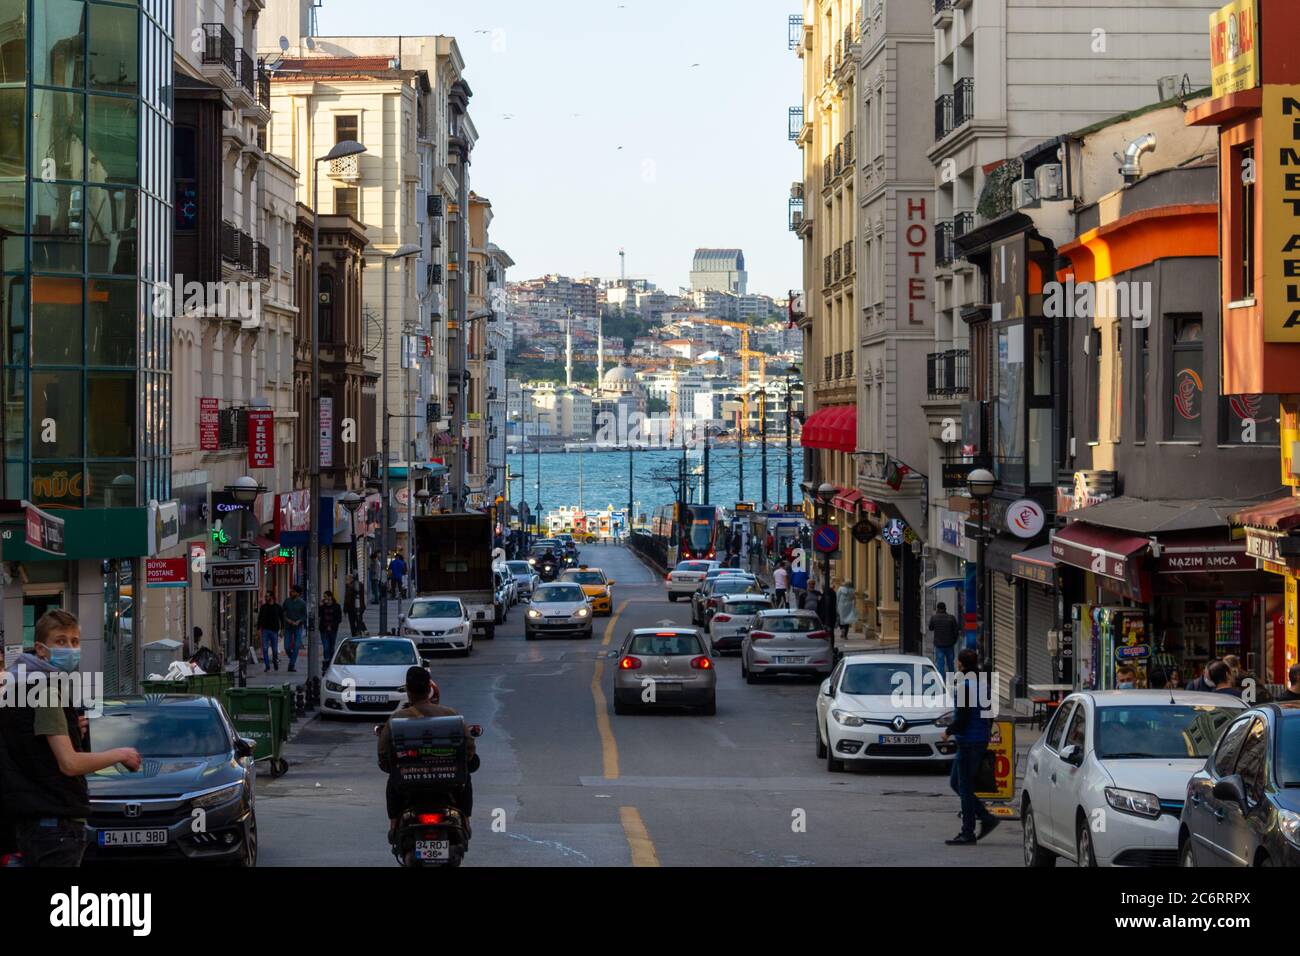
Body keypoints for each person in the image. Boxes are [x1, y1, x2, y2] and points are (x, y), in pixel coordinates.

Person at [0, 610, 142, 866]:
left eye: (75, 641)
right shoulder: (46, 688)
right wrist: (121, 754)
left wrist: (69, 729)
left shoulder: (15, 685)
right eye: (61, 641)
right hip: (54, 822)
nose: (70, 648)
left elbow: (27, 743)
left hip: (27, 819)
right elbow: (69, 763)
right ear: (41, 649)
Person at [377, 666, 477, 842]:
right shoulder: (450, 715)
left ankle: (393, 824)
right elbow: (468, 749)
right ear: (429, 689)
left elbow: (384, 754)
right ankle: (466, 820)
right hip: (448, 783)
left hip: (407, 785)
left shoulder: (396, 718)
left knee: (392, 780)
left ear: (408, 690)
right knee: (466, 778)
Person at [941, 648, 998, 846]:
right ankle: (985, 817)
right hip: (978, 738)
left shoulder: (965, 686)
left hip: (968, 741)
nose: (956, 665)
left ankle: (968, 831)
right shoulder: (983, 685)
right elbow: (990, 714)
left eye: (958, 662)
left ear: (961, 665)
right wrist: (984, 732)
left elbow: (963, 717)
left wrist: (948, 731)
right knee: (956, 782)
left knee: (963, 785)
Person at [928, 602, 960, 678]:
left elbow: (930, 628)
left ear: (937, 609)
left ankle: (941, 682)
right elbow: (956, 631)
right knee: (950, 664)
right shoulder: (951, 618)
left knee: (940, 665)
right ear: (945, 608)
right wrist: (954, 641)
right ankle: (952, 681)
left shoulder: (934, 617)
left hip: (939, 645)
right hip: (949, 645)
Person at [280, 585, 308, 673]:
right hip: (288, 627)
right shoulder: (287, 601)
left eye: (293, 591)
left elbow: (305, 616)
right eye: (291, 591)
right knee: (287, 647)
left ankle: (291, 665)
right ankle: (293, 659)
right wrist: (287, 621)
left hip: (298, 627)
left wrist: (299, 621)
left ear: (298, 593)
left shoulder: (302, 603)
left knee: (296, 646)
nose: (291, 592)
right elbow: (282, 613)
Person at [256, 592, 283, 673]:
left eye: (267, 596)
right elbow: (260, 618)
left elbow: (282, 618)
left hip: (274, 631)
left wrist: (282, 629)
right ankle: (267, 666)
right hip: (265, 630)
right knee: (265, 648)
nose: (265, 598)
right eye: (265, 596)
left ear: (271, 597)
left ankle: (275, 661)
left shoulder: (277, 607)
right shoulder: (263, 607)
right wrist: (258, 629)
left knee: (274, 650)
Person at [319, 591, 343, 670]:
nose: (324, 598)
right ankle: (326, 661)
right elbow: (319, 615)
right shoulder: (323, 606)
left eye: (325, 596)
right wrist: (320, 606)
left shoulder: (336, 606)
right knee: (326, 647)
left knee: (331, 647)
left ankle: (331, 662)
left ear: (330, 597)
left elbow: (339, 619)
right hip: (324, 629)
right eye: (324, 596)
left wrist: (331, 626)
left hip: (333, 629)